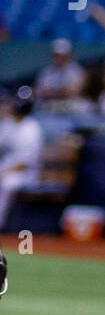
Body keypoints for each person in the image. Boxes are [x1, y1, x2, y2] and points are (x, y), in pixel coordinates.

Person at [0, 95, 43, 233]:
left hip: (25, 173)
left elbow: (25, 163)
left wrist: (3, 173)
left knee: (8, 183)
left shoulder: (31, 129)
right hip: (5, 168)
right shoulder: (8, 123)